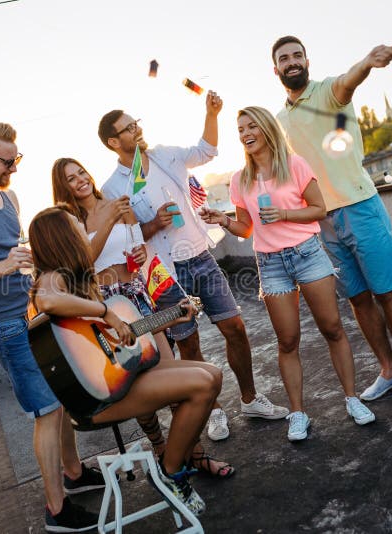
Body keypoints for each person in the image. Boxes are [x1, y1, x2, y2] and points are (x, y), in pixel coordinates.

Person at [98, 92, 288, 442]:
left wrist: (211, 113)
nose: (137, 130)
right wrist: (153, 224)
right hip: (162, 272)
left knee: (235, 327)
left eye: (136, 123)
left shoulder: (166, 155)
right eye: (128, 128)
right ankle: (214, 412)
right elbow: (126, 238)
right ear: (113, 141)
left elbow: (206, 151)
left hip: (200, 256)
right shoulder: (112, 188)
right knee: (189, 345)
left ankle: (250, 399)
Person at [0, 121, 103, 533]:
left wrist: (30, 266)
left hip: (32, 313)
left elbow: (10, 252)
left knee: (60, 399)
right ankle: (57, 511)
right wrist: (4, 267)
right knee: (46, 411)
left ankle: (74, 473)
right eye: (6, 159)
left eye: (17, 158)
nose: (14, 165)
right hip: (5, 325)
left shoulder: (9, 197)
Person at [29, 205, 223, 516]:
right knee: (202, 384)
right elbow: (47, 301)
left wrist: (172, 318)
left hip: (115, 380)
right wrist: (106, 312)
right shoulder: (53, 278)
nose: (83, 227)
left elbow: (122, 336)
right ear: (63, 236)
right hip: (97, 400)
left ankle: (173, 462)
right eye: (76, 224)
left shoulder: (82, 280)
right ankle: (170, 473)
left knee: (212, 374)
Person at [200, 106, 376, 441]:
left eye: (251, 126)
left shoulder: (294, 165)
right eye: (240, 129)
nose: (245, 133)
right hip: (270, 263)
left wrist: (283, 212)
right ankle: (298, 413)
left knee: (333, 328)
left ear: (266, 129)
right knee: (288, 340)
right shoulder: (240, 179)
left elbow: (318, 209)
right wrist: (222, 219)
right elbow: (246, 228)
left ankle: (352, 399)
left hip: (308, 254)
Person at [52, 157, 234, 477]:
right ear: (62, 187)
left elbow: (139, 247)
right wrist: (108, 219)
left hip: (138, 294)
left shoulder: (118, 204)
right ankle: (160, 448)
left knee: (172, 377)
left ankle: (195, 453)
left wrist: (137, 255)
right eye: (70, 178)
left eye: (81, 171)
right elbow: (83, 262)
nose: (80, 179)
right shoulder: (69, 220)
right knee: (137, 383)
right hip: (108, 307)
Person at [271, 35, 392, 405]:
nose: (292, 62)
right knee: (358, 300)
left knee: (387, 293)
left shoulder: (328, 92)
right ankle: (387, 370)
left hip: (360, 207)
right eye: (284, 58)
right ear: (275, 69)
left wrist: (368, 63)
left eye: (297, 55)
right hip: (322, 222)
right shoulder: (278, 121)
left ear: (307, 60)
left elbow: (348, 81)